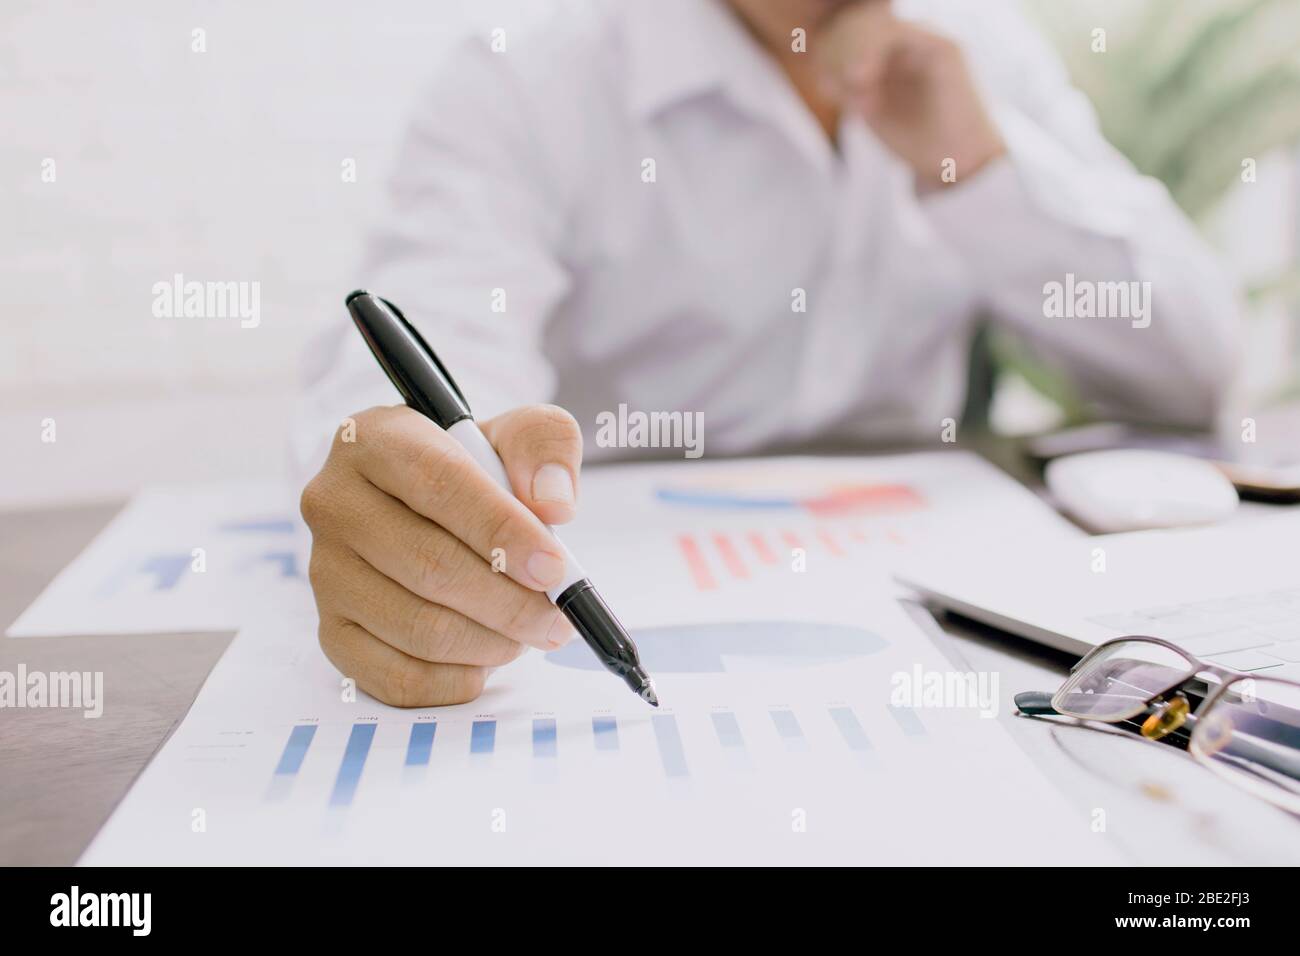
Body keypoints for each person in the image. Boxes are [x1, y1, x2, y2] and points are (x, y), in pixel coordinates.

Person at [295, 0, 1240, 707]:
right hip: (629, 569)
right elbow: (437, 341)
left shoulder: (982, 46)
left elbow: (1193, 372)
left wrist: (979, 170)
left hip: (947, 613)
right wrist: (414, 485)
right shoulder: (528, 78)